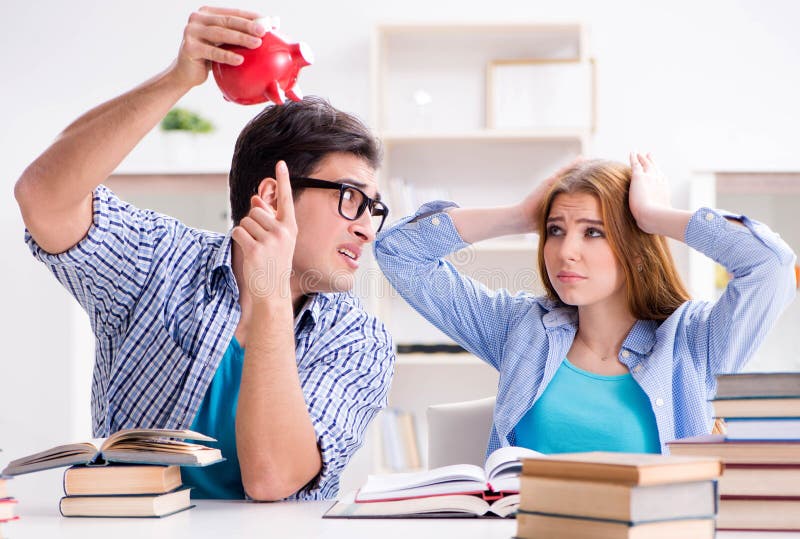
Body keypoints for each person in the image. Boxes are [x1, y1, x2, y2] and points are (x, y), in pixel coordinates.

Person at [14, 7, 394, 501]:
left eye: (374, 208)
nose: (366, 227)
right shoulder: (157, 259)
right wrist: (177, 79)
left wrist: (270, 294)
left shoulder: (360, 340)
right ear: (273, 198)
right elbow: (43, 197)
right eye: (351, 198)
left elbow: (273, 480)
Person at [375, 153, 796, 456]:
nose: (565, 251)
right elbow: (398, 251)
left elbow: (772, 265)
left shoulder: (693, 343)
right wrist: (520, 216)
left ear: (636, 249)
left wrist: (654, 216)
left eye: (593, 232)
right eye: (555, 231)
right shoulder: (521, 330)